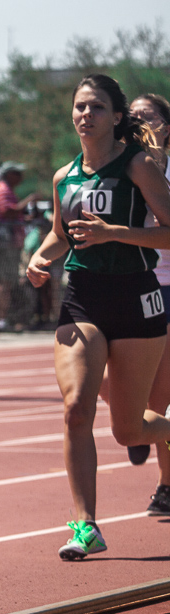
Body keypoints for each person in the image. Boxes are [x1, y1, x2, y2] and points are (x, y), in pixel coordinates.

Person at [25, 74, 170, 560]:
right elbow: (61, 235)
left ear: (115, 116)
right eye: (80, 107)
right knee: (75, 409)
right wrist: (39, 259)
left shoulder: (139, 165)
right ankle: (86, 524)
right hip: (82, 297)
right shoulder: (64, 177)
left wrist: (116, 233)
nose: (85, 115)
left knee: (129, 431)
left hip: (136, 297)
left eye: (96, 107)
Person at [127, 92, 170, 510]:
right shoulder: (120, 169)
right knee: (98, 375)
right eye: (134, 115)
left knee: (163, 392)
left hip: (167, 286)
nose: (140, 120)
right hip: (129, 283)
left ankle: (165, 485)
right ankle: (134, 423)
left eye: (149, 115)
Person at [0, 160, 41, 328]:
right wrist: (29, 200)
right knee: (4, 281)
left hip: (10, 240)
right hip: (6, 240)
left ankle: (5, 318)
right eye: (17, 173)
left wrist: (25, 218)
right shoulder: (3, 189)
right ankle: (1, 319)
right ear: (9, 174)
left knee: (8, 281)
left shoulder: (7, 189)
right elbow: (7, 212)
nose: (20, 177)